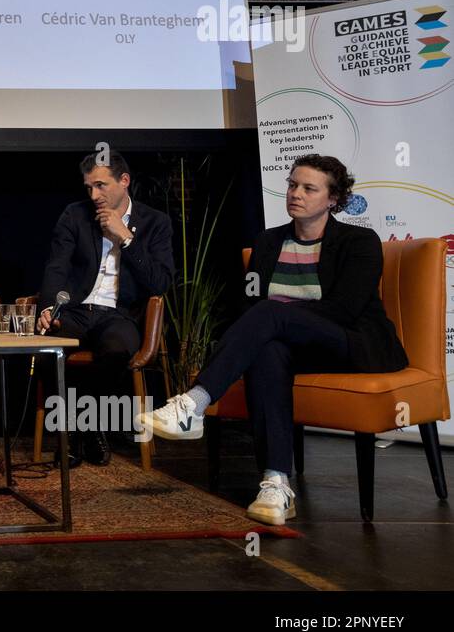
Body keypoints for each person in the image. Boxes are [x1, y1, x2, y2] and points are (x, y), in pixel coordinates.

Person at [143, 155, 408, 526]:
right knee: (267, 348)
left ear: (333, 199)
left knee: (269, 314)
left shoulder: (358, 242)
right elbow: (248, 302)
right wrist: (277, 323)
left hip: (352, 345)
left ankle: (194, 403)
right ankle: (276, 483)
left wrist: (282, 317)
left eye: (308, 188)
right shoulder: (268, 243)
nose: (295, 194)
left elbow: (344, 310)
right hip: (294, 348)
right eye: (292, 185)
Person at [37, 151, 174, 465]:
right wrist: (47, 309)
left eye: (101, 185)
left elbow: (160, 284)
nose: (94, 195)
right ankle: (78, 429)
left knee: (115, 350)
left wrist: (126, 238)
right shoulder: (74, 215)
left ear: (124, 181)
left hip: (119, 314)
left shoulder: (155, 223)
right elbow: (55, 267)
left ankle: (82, 428)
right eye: (88, 187)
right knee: (47, 350)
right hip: (74, 309)